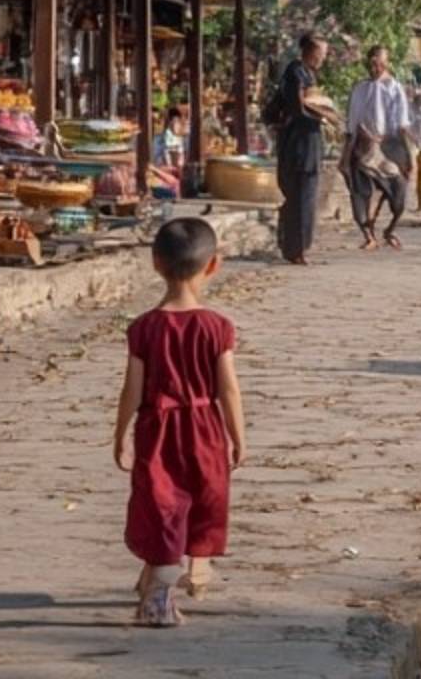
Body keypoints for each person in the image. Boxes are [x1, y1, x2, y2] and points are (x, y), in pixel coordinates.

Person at [113, 217, 246, 629]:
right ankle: (159, 598)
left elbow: (132, 389)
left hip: (156, 429)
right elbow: (229, 390)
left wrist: (120, 434)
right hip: (205, 429)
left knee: (162, 505)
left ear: (156, 262)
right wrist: (237, 436)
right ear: (213, 265)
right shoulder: (217, 327)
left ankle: (157, 579)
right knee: (201, 502)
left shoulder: (144, 328)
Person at [343, 44, 415, 250]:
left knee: (399, 195)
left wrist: (409, 156)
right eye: (373, 63)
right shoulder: (360, 89)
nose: (376, 68)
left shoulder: (394, 88)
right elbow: (352, 125)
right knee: (360, 193)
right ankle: (368, 235)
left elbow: (402, 125)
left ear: (387, 63)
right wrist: (346, 154)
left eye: (380, 63)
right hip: (363, 147)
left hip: (389, 148)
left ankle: (389, 229)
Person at [269, 35, 329, 265]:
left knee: (301, 199)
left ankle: (294, 246)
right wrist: (323, 116)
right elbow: (298, 108)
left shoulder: (306, 73)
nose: (323, 58)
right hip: (299, 147)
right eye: (321, 54)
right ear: (311, 52)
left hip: (305, 144)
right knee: (302, 200)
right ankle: (297, 248)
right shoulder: (296, 73)